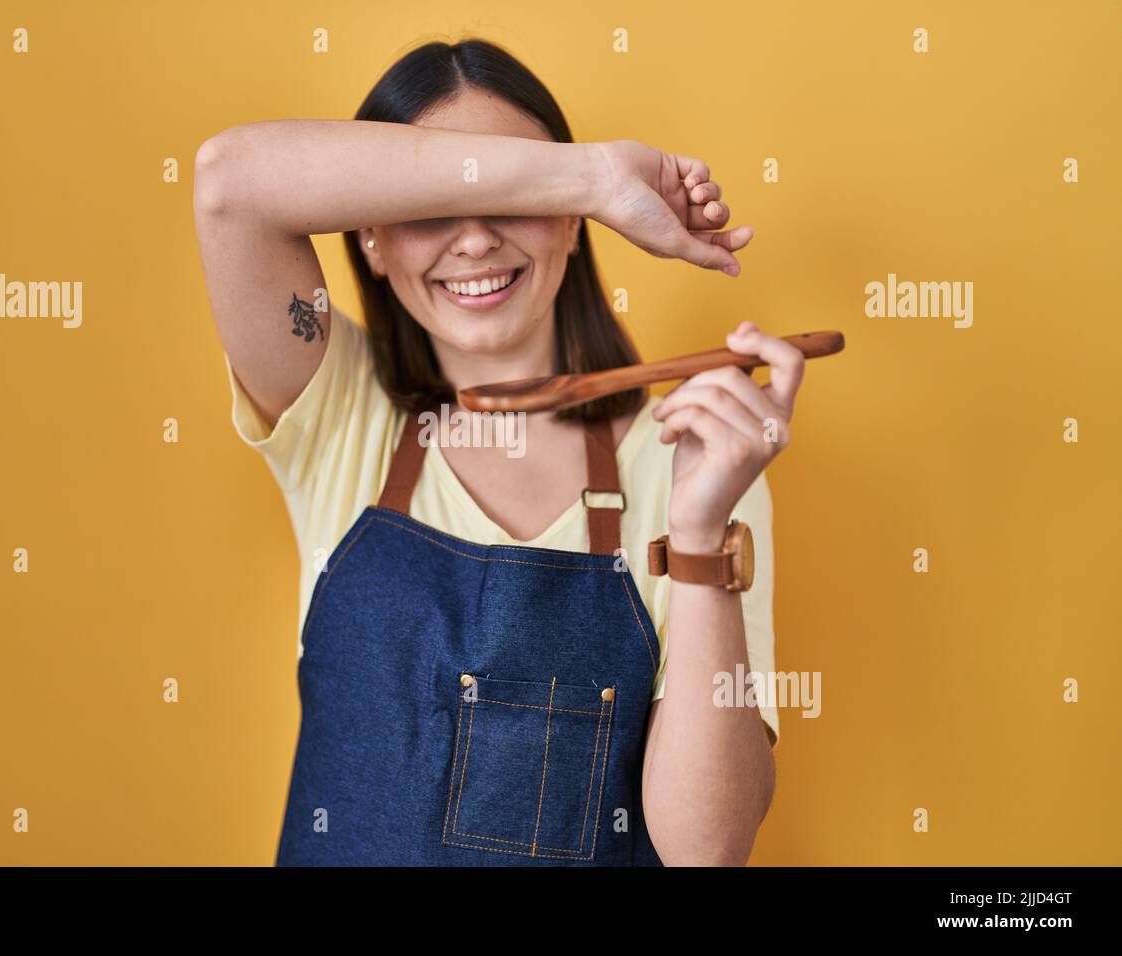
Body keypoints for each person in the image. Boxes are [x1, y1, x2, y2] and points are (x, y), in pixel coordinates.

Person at [193, 38, 807, 866]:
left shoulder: (692, 461)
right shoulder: (336, 408)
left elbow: (707, 851)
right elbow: (230, 181)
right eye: (430, 204)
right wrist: (590, 177)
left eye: (512, 194)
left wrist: (699, 538)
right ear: (369, 240)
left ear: (568, 228)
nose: (474, 240)